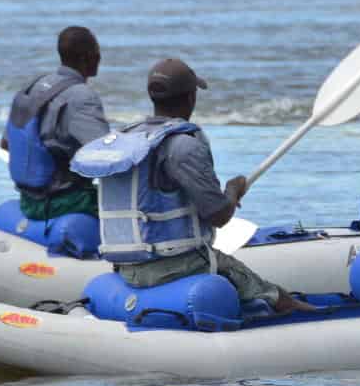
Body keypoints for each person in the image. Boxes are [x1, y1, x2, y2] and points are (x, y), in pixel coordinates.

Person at [70, 58, 314, 314]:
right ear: (190, 98)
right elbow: (219, 215)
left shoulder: (129, 139)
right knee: (275, 295)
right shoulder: (184, 145)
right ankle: (304, 314)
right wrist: (233, 189)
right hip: (178, 264)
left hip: (127, 268)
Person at [0, 25, 109, 220]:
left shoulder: (34, 85)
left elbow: (6, 143)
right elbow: (108, 155)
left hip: (28, 200)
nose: (99, 58)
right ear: (87, 57)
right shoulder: (83, 97)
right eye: (98, 53)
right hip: (61, 203)